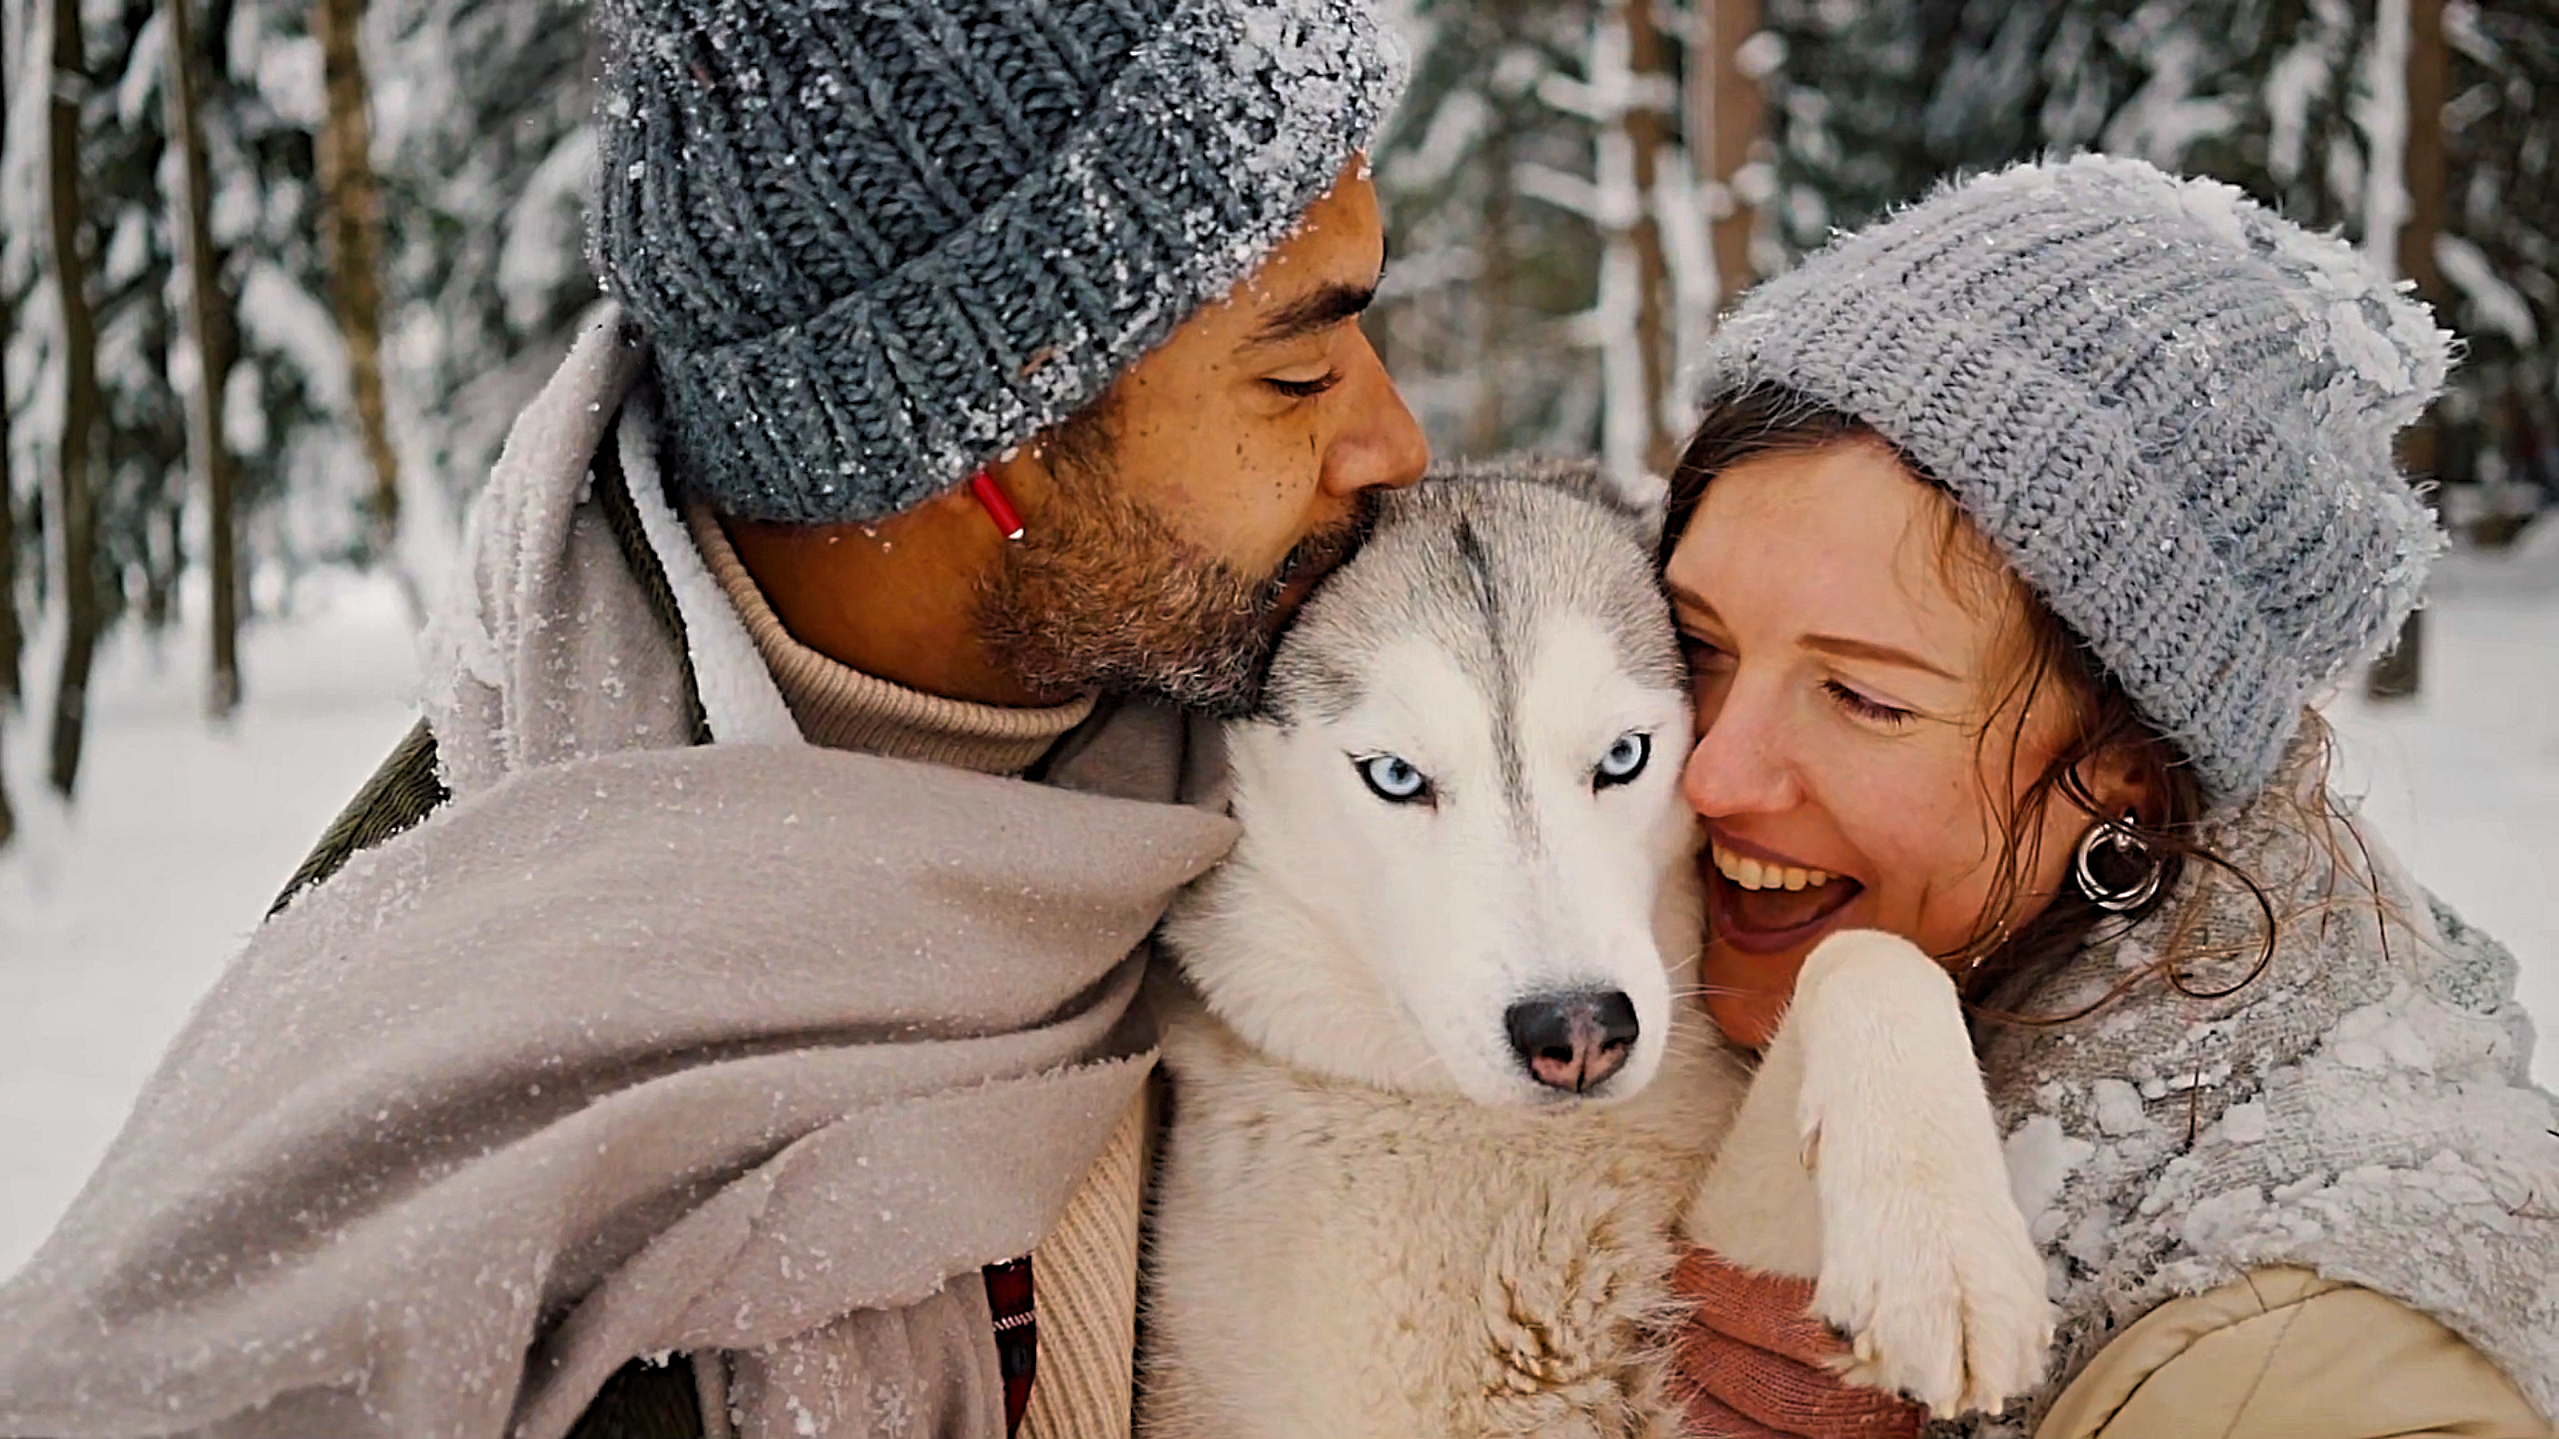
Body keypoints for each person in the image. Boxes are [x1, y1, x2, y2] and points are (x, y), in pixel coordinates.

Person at [0, 3, 1910, 1437]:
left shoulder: (1253, 687)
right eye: (1297, 360)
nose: (1390, 441)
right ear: (993, 420)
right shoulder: (482, 1051)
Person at [1658, 154, 2559, 1436]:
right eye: (1698, 645)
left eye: (1865, 696)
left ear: (2124, 778)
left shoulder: (2303, 1350)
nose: (1713, 769)